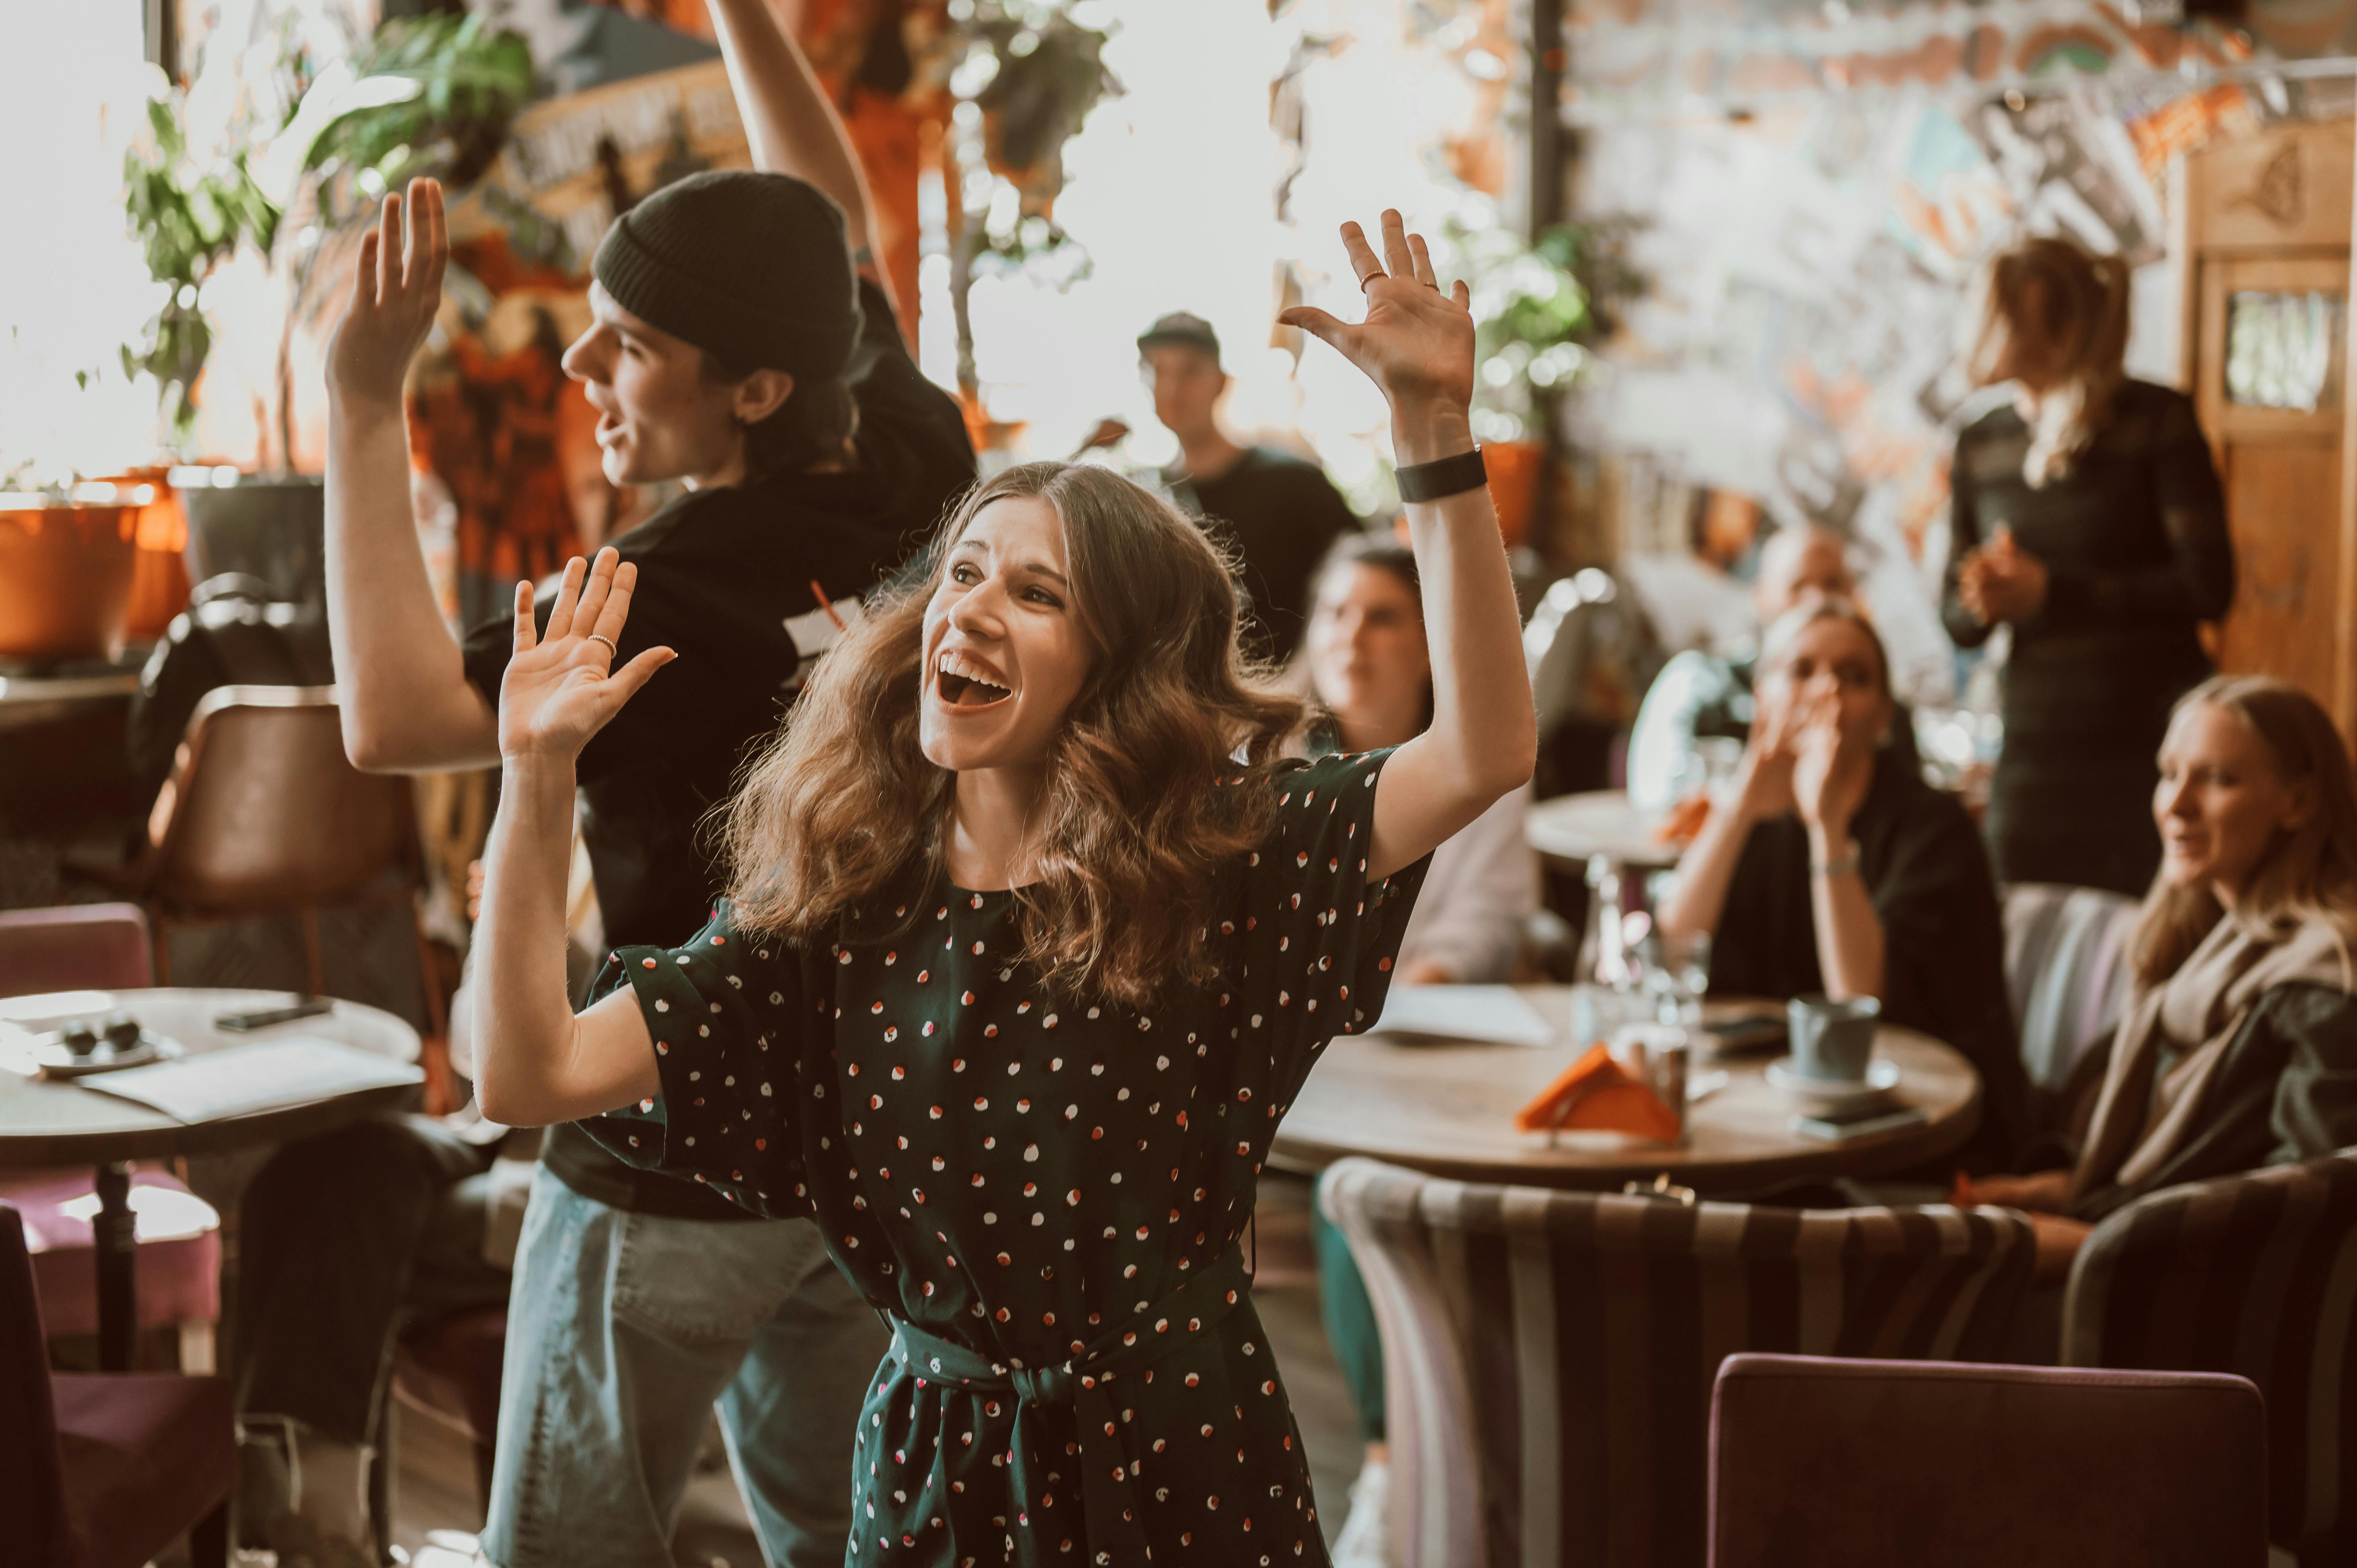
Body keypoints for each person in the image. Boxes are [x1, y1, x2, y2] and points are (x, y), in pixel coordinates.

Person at [465, 210, 1533, 1568]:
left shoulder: (1217, 861)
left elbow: (1483, 750)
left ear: (1116, 666)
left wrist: (1434, 433)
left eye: (1034, 594)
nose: (968, 607)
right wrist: (536, 771)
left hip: (1183, 1469)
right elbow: (525, 1073)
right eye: (962, 573)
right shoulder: (832, 921)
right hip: (936, 1479)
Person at [317, 0, 974, 1558]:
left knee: (563, 1542)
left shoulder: (648, 594)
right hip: (869, 1146)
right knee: (845, 1532)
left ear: (750, 389)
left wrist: (357, 404)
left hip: (664, 1157)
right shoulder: (913, 458)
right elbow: (829, 231)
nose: (578, 358)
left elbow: (394, 714)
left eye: (629, 343)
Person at [1293, 530, 1538, 1568]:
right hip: (1298, 1071)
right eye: (1336, 613)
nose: (1353, 637)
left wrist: (1389, 987)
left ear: (1431, 641)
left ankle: (1411, 1466)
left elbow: (1489, 925)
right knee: (1356, 1175)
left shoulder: (1477, 771)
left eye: (1383, 615)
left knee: (1374, 1173)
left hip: (1427, 1059)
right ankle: (1401, 1462)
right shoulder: (1260, 768)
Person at [1963, 676, 2357, 1288]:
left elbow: (2307, 1223)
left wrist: (2087, 1245)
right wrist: (2056, 1189)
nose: (2175, 804)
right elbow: (2185, 1167)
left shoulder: (2322, 979)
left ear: (2299, 803)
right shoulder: (2205, 944)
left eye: (2218, 779)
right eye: (2169, 772)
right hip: (2115, 1241)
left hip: (2154, 1294)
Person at [1656, 596, 2030, 1171]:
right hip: (1774, 1114)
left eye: (1854, 676)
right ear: (1761, 695)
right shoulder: (1753, 815)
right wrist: (1736, 809)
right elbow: (1674, 953)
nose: (1825, 689)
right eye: (1800, 670)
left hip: (1917, 1130)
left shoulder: (1933, 829)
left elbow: (1863, 1007)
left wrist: (1826, 825)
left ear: (1883, 716)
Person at [1944, 235, 2235, 896]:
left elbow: (2210, 588)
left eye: (2001, 313)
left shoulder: (2156, 420)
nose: (1981, 327)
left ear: (2060, 324)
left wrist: (2055, 593)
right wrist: (1980, 599)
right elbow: (1955, 617)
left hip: (2151, 750)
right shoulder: (1978, 442)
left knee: (2151, 939)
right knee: (2021, 939)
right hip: (2034, 753)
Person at [1140, 310, 1358, 663]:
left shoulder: (1295, 482)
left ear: (1221, 381)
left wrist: (1309, 673)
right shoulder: (1145, 499)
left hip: (1300, 696)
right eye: (1157, 372)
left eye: (1189, 370)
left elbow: (1362, 578)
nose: (1172, 389)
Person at [1626, 522, 1862, 811]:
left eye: (1833, 585)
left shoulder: (1871, 698)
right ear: (1761, 597)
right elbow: (1660, 808)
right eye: (1798, 586)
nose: (1818, 600)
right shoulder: (1700, 682)